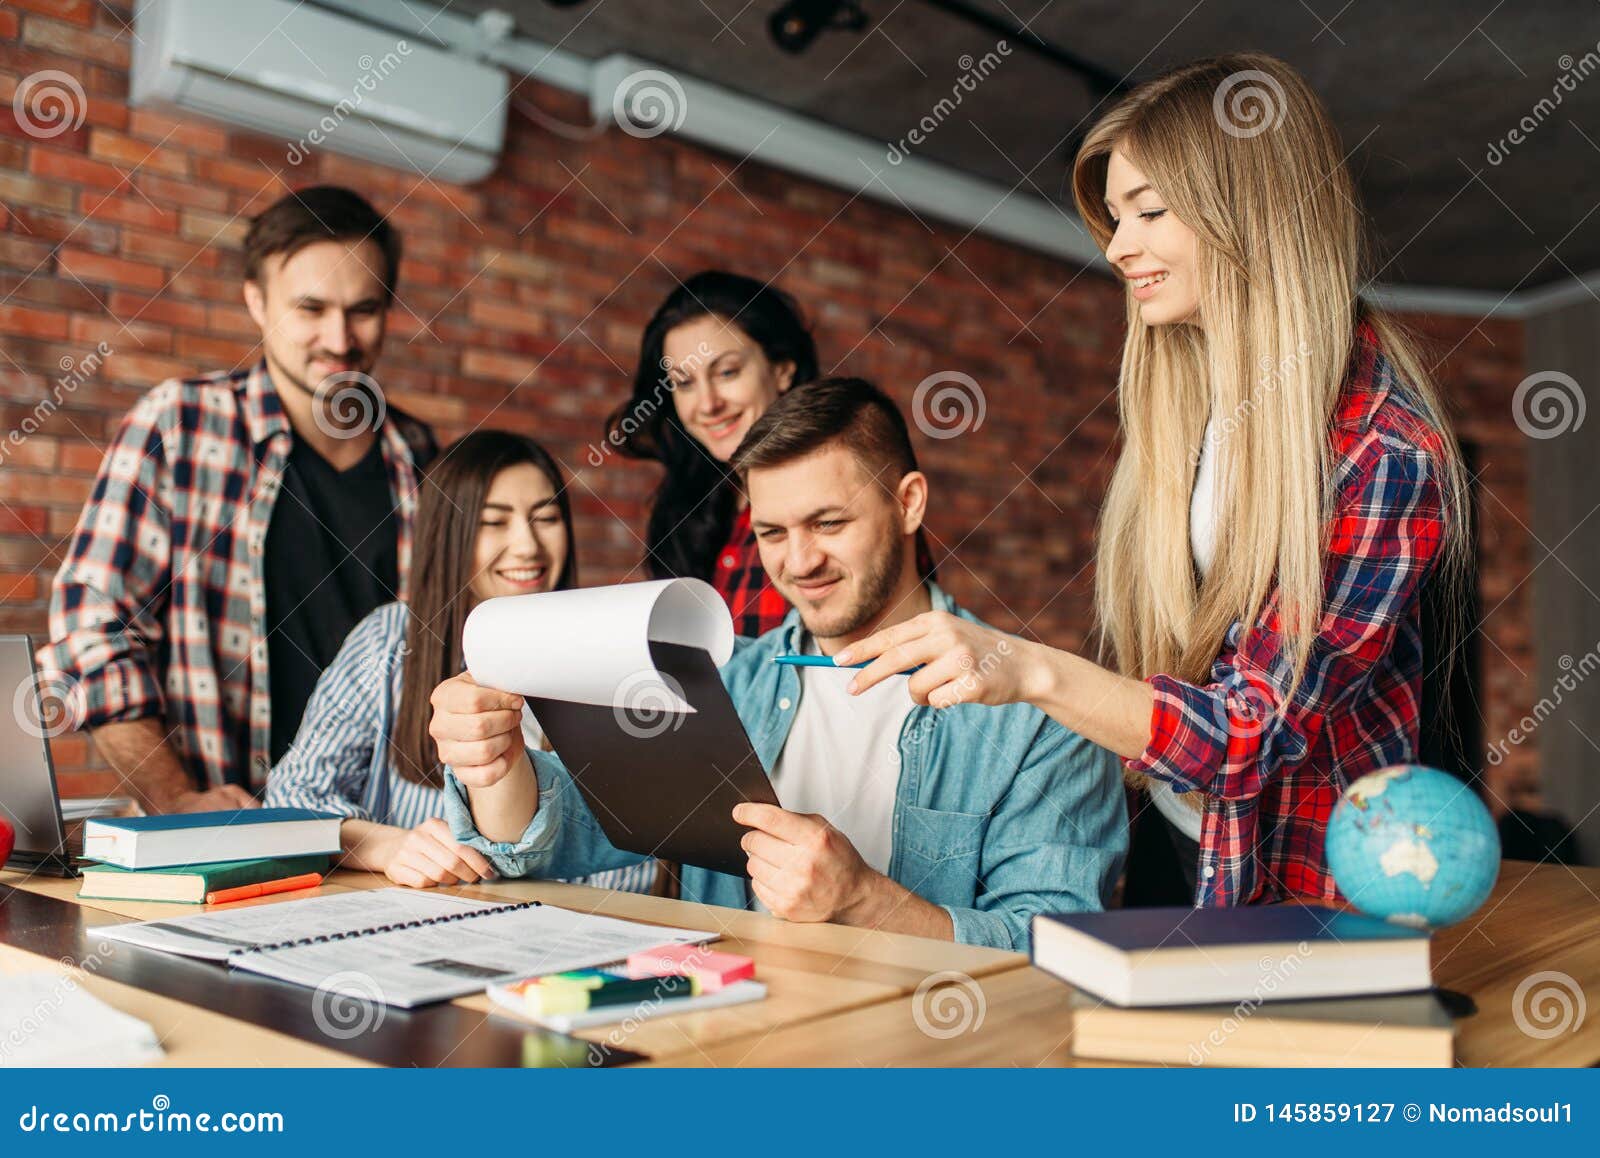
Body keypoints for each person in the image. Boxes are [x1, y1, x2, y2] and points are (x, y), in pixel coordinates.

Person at [838, 53, 1471, 909]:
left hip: (1295, 878)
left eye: (1149, 211)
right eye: (1114, 216)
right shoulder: (1193, 393)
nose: (1117, 245)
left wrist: (1028, 670)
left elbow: (1254, 731)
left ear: (1246, 212)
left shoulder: (1382, 454)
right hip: (1180, 840)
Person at [431, 377, 1126, 950]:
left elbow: (1059, 957)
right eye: (772, 532)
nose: (800, 562)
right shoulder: (722, 682)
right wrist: (496, 764)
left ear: (909, 503)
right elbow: (562, 840)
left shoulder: (1040, 714)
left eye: (829, 524)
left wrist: (864, 901)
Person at [42, 186, 436, 812]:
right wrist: (175, 799)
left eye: (363, 309)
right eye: (311, 308)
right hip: (227, 832)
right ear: (257, 301)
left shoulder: (417, 455)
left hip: (382, 837)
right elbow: (91, 627)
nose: (340, 338)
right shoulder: (181, 425)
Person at [266, 431, 654, 894]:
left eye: (546, 518)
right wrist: (385, 848)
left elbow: (637, 857)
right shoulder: (391, 640)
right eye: (494, 522)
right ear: (450, 533)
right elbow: (293, 798)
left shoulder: (610, 659)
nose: (527, 546)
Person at [601, 270, 818, 636]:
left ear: (782, 370)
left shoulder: (840, 491)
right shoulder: (694, 507)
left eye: (728, 372)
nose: (708, 404)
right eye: (684, 383)